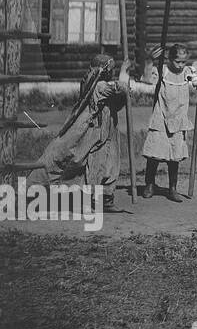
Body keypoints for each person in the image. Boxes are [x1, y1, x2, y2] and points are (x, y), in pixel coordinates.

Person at [33, 54, 127, 212]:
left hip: (107, 130)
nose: (112, 73)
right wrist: (125, 71)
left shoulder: (99, 84)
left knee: (108, 163)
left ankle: (105, 199)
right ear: (103, 71)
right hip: (90, 131)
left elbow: (118, 100)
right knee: (79, 161)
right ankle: (68, 198)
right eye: (111, 70)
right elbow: (121, 87)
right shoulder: (99, 86)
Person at [141, 43, 197, 202]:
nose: (180, 65)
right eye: (177, 61)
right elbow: (147, 79)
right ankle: (149, 185)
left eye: (183, 62)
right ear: (169, 59)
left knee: (175, 157)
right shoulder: (163, 70)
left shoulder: (188, 72)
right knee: (154, 155)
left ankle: (172, 188)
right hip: (160, 117)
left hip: (179, 120)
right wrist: (149, 61)